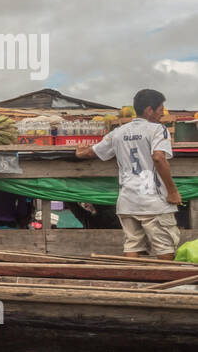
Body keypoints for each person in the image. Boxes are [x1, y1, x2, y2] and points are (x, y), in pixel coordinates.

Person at [77, 88, 182, 258]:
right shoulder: (157, 129)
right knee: (164, 247)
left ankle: (131, 276)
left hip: (127, 202)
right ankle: (166, 276)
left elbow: (91, 152)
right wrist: (172, 191)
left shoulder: (118, 132)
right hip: (154, 202)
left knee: (132, 245)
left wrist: (78, 152)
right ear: (149, 110)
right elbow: (158, 158)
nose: (162, 114)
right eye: (160, 109)